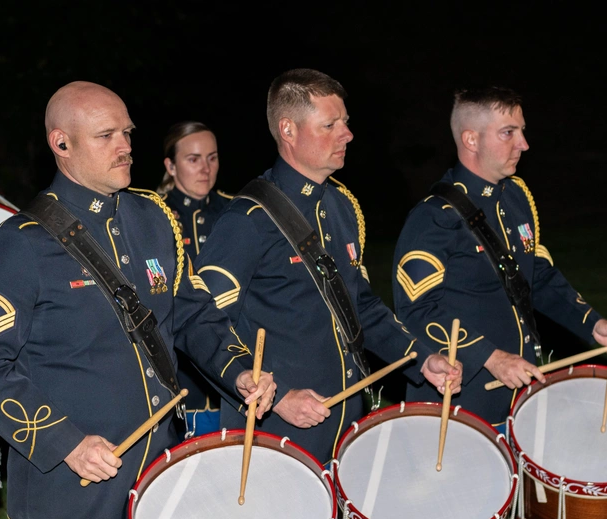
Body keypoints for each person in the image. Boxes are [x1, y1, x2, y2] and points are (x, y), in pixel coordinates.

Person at [0, 81, 276, 519]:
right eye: (106, 136)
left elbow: (190, 315)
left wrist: (238, 371)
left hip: (153, 477)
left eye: (127, 131)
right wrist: (64, 441)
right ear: (62, 144)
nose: (125, 145)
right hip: (69, 494)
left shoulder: (153, 219)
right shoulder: (19, 247)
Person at [391, 86, 607, 519]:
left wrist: (590, 321)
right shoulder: (433, 219)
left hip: (516, 396)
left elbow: (539, 276)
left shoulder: (515, 199)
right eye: (509, 133)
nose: (523, 143)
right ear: (470, 139)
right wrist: (487, 356)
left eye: (521, 130)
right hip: (461, 397)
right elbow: (411, 312)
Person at [196, 68, 461, 464]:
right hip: (277, 433)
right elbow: (200, 319)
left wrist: (421, 356)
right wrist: (280, 395)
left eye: (346, 123)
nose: (347, 134)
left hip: (348, 426)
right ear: (288, 130)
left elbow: (361, 307)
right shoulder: (248, 219)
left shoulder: (340, 207)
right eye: (330, 124)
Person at [157, 121, 234, 437]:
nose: (206, 168)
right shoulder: (154, 217)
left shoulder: (236, 212)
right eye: (193, 159)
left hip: (237, 363)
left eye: (212, 157)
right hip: (181, 374)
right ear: (171, 166)